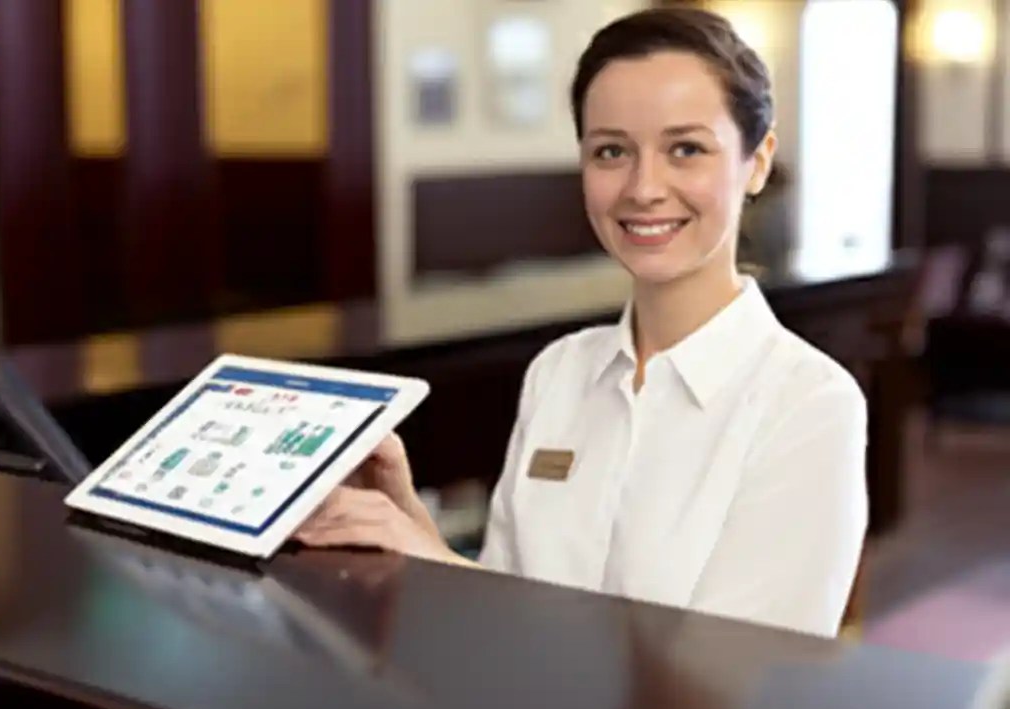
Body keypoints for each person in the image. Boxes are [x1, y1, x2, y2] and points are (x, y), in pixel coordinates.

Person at [294, 7, 867, 639]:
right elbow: (500, 620)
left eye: (686, 149)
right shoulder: (560, 371)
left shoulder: (811, 404)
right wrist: (410, 531)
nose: (644, 187)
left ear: (757, 162)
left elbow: (727, 682)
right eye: (612, 151)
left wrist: (447, 568)